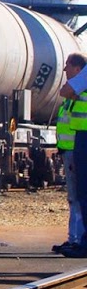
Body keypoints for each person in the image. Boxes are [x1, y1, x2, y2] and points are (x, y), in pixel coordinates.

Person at [57, 53, 87, 256]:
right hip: (74, 144)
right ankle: (76, 239)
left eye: (68, 66)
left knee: (79, 196)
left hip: (82, 141)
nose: (65, 69)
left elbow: (65, 91)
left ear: (78, 69)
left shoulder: (83, 77)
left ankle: (79, 240)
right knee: (77, 197)